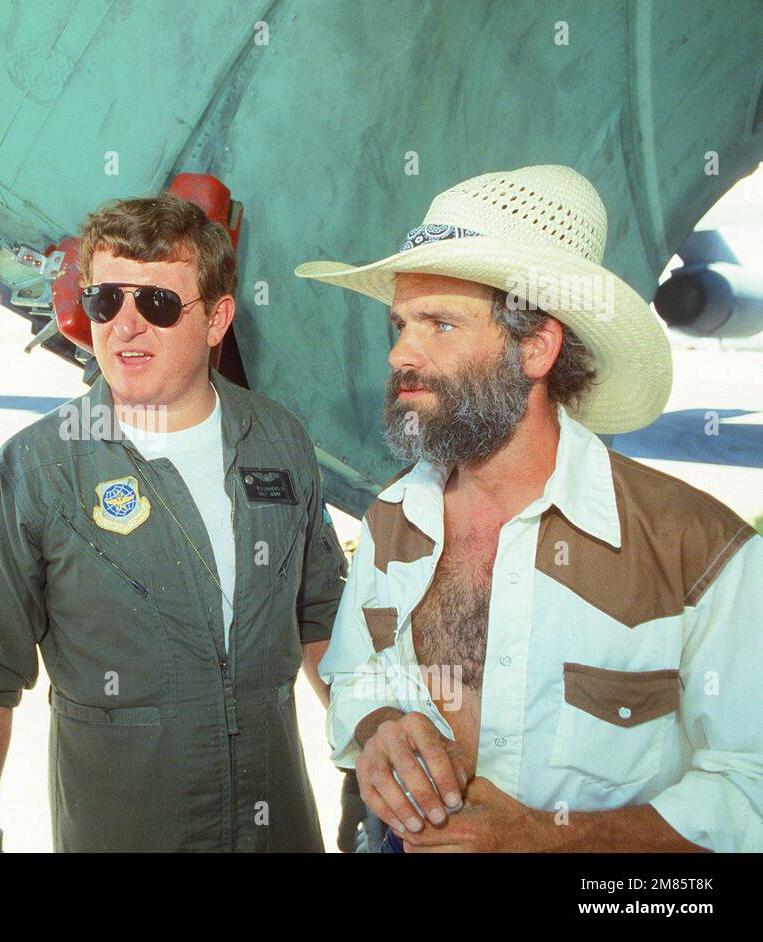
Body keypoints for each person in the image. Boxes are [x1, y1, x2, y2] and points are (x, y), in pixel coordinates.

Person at [300, 163, 763, 852]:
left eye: (440, 324)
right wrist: (376, 729)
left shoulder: (697, 550)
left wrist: (541, 838)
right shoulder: (393, 519)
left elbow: (748, 787)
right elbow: (357, 674)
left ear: (536, 347)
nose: (400, 351)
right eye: (400, 323)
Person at [0, 194, 346, 852]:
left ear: (216, 319)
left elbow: (321, 612)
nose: (124, 327)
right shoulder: (35, 472)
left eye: (157, 304)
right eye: (106, 301)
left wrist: (377, 743)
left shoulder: (279, 441)